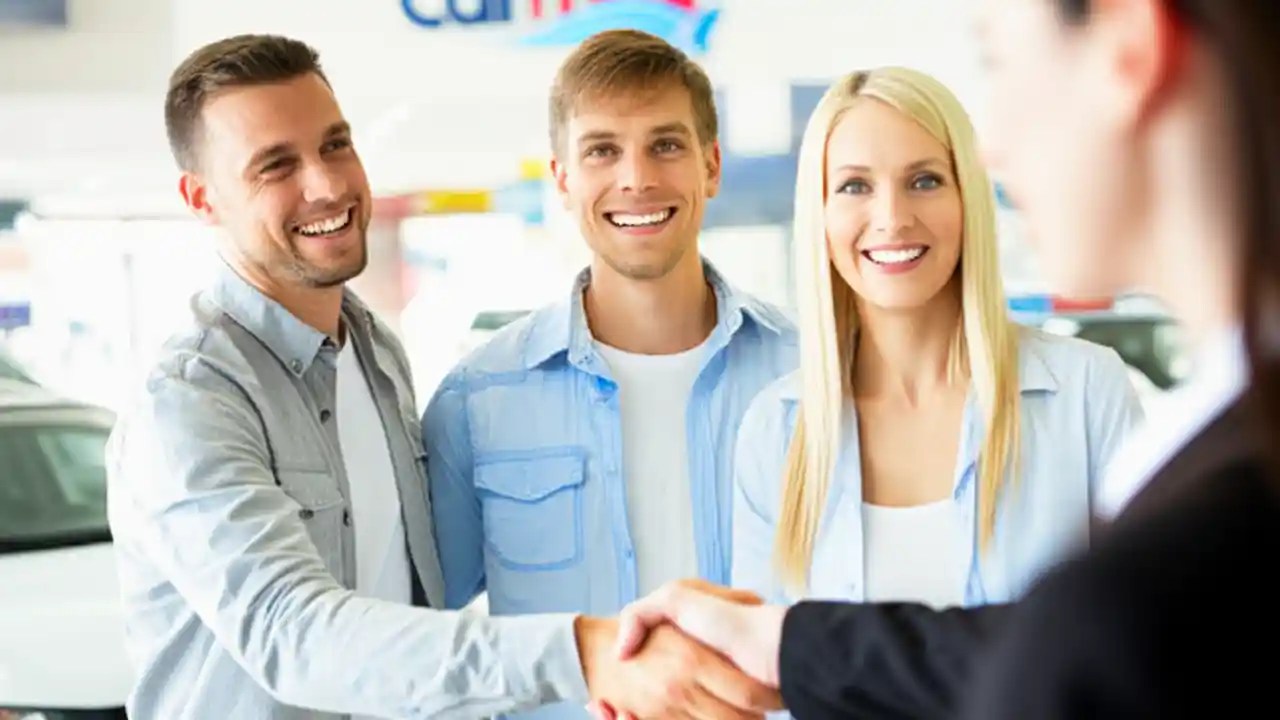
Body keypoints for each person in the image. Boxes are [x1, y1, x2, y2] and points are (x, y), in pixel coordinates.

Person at [602, 0, 1280, 717]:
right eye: (855, 185)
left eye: (1001, 61)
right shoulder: (776, 427)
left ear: (1130, 47)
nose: (997, 149)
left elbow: (1105, 649)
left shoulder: (1123, 411)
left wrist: (784, 645)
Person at [105, 33, 779, 720]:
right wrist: (589, 653)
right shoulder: (187, 401)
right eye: (275, 166)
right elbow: (289, 632)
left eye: (336, 145)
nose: (327, 184)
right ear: (201, 198)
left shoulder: (376, 357)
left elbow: (421, 610)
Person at [422, 28, 797, 720]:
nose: (636, 178)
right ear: (562, 179)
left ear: (711, 166)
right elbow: (425, 642)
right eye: (602, 150)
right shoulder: (477, 401)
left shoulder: (812, 378)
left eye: (666, 144)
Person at [732, 65, 1140, 623]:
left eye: (924, 180)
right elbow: (761, 679)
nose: (893, 218)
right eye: (855, 186)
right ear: (820, 215)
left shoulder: (1088, 392)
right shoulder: (775, 430)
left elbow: (1149, 637)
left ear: (967, 197)